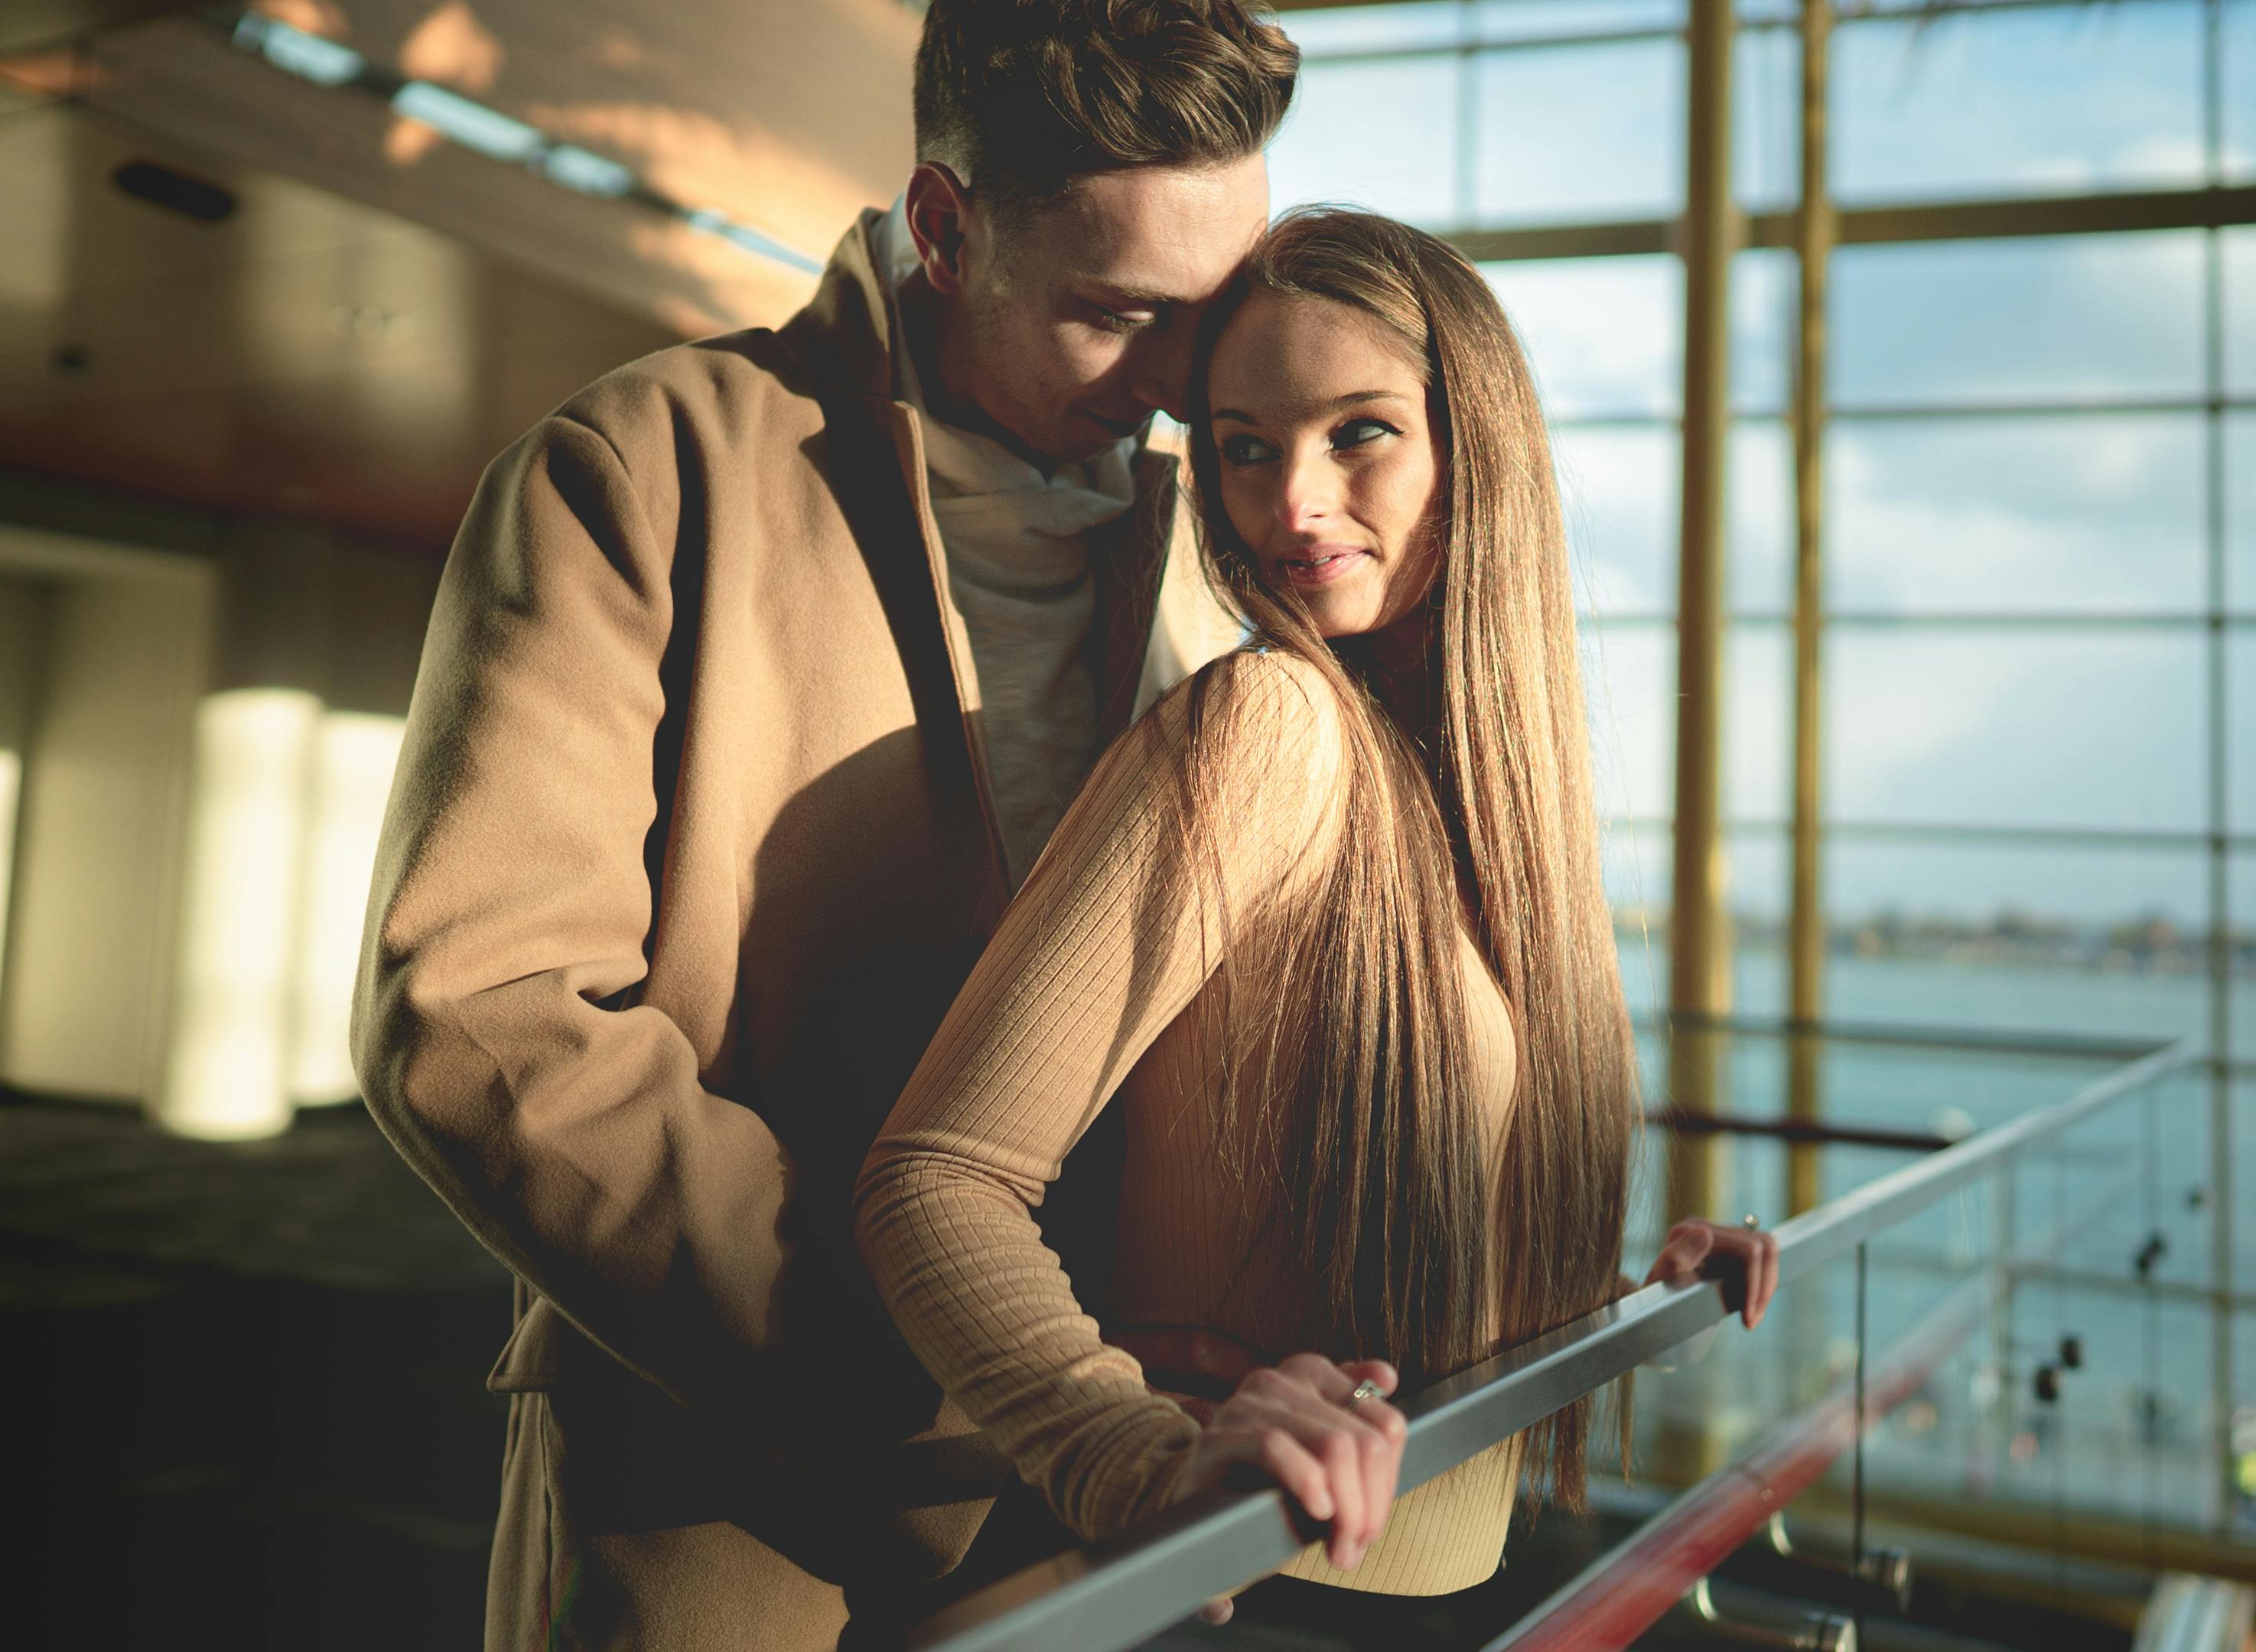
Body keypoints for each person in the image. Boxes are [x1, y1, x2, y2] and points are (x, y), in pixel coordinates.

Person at [350, 5, 1301, 1647]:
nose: (1171, 378)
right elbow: (481, 1017)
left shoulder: (1233, 520)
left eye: (1208, 316)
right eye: (1115, 313)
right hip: (725, 1454)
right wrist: (957, 1354)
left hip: (1108, 1451)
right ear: (944, 226)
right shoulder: (640, 464)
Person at [854, 209, 1781, 1628]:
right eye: (1244, 446)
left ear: (1474, 444)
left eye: (1359, 433)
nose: (1291, 502)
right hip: (1252, 1608)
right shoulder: (1265, 727)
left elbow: (1356, 1254)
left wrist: (1621, 1295)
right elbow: (934, 1177)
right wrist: (1136, 1457)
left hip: (1420, 1602)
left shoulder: (1478, 810)